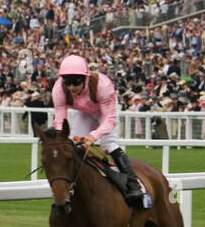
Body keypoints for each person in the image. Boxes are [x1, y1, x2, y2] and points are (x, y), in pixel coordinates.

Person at [51, 54, 148, 208]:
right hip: (84, 112)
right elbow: (60, 121)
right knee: (75, 145)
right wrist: (59, 139)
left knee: (108, 144)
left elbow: (109, 120)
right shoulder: (59, 90)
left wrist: (93, 136)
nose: (71, 87)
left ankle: (133, 185)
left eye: (76, 81)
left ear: (85, 78)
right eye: (67, 82)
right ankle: (76, 188)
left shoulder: (103, 86)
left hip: (106, 112)